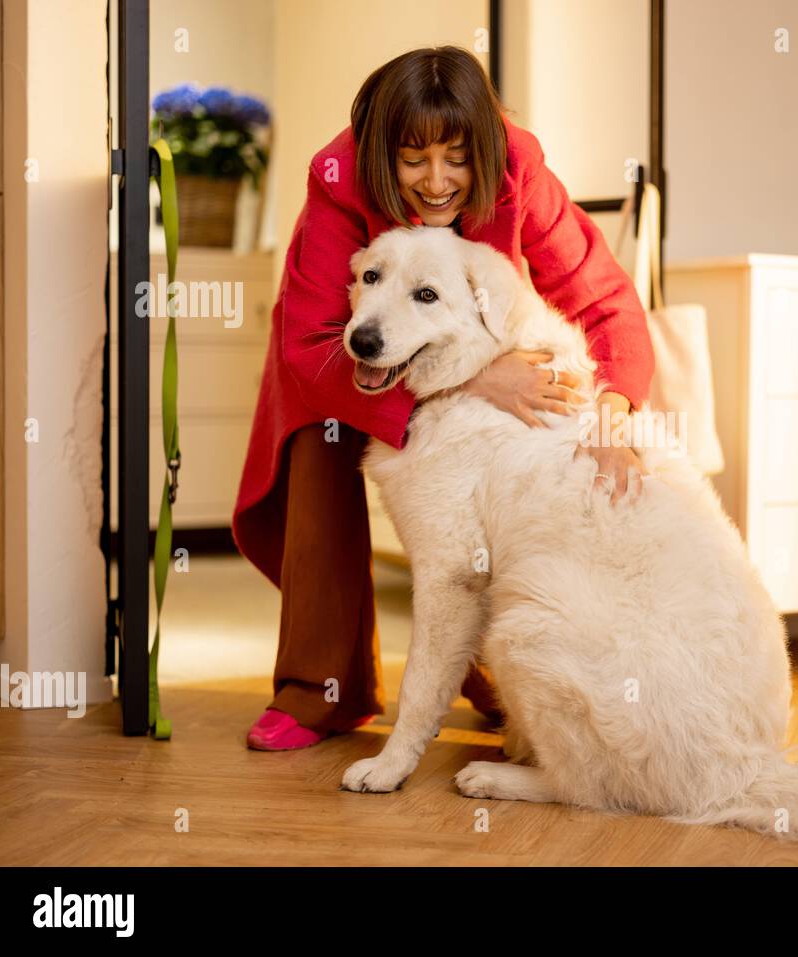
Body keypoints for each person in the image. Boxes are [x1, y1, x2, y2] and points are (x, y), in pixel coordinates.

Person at [231, 46, 654, 750]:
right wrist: (480, 377)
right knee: (320, 437)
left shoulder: (519, 166)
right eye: (412, 159)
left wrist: (614, 415)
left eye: (457, 158)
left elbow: (606, 299)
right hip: (340, 350)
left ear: (484, 153)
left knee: (507, 448)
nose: (436, 182)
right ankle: (320, 686)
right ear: (377, 155)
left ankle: (488, 663)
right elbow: (310, 346)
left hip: (454, 337)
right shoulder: (337, 179)